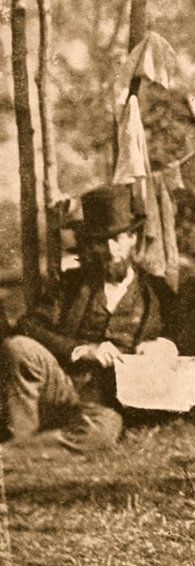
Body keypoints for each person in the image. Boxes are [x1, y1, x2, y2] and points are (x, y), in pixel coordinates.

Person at [1, 183, 178, 453]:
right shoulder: (72, 284)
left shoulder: (156, 293)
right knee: (18, 348)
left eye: (117, 238)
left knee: (102, 433)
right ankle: (22, 438)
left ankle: (14, 453)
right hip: (62, 386)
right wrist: (81, 350)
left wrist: (165, 346)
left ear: (133, 238)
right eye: (100, 241)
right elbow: (29, 325)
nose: (110, 249)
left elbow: (183, 337)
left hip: (110, 398)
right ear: (90, 245)